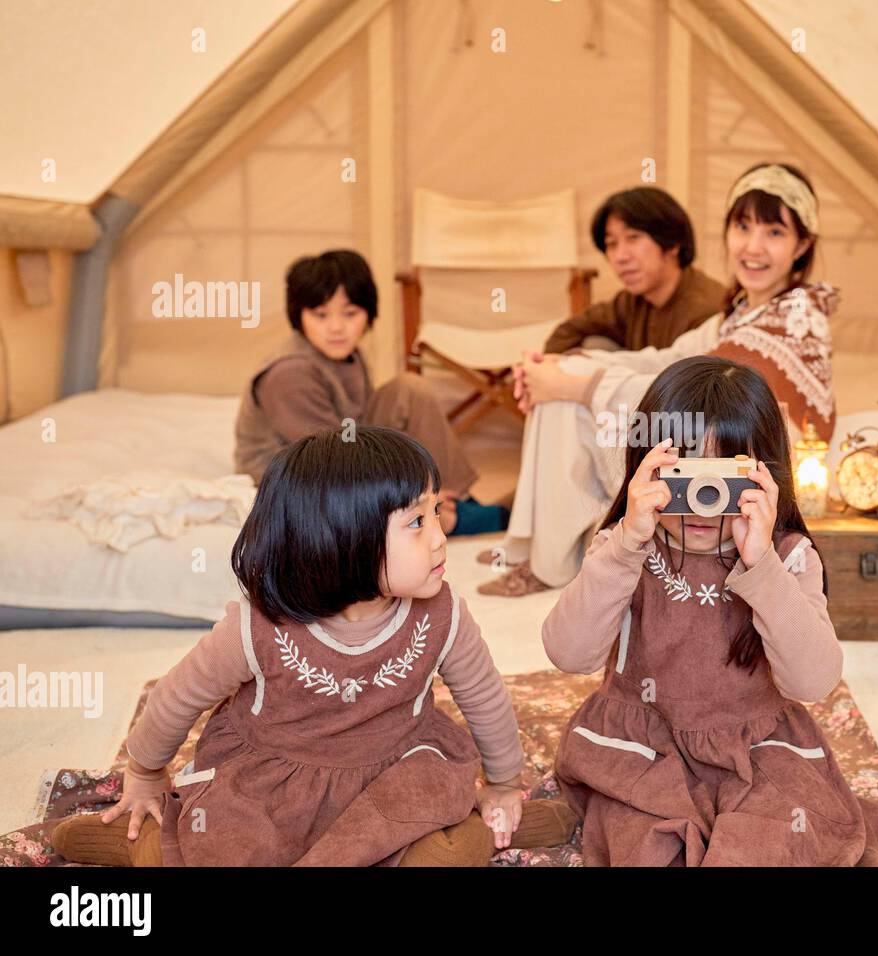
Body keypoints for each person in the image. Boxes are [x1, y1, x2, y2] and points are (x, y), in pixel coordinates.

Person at [51, 426, 576, 866]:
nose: (439, 536)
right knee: (220, 849)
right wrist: (144, 774)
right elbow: (178, 696)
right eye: (417, 522)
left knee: (435, 854)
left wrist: (505, 783)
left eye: (435, 512)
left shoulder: (443, 613)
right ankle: (144, 846)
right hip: (274, 785)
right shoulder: (258, 628)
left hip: (397, 772)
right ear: (339, 541)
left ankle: (490, 827)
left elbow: (483, 697)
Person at [543, 357, 878, 865]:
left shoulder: (788, 557)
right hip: (644, 746)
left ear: (767, 477)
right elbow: (569, 654)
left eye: (725, 478)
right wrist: (624, 547)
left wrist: (764, 567)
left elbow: (813, 683)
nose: (702, 505)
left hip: (756, 748)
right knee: (645, 842)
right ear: (645, 468)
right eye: (684, 477)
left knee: (774, 837)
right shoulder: (624, 547)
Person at [483, 163, 835, 596]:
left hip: (746, 469)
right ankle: (544, 551)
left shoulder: (794, 317)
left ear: (802, 244)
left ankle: (554, 562)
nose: (753, 247)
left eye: (775, 233)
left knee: (572, 390)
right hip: (711, 439)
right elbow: (670, 359)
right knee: (567, 376)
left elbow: (702, 401)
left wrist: (579, 385)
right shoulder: (742, 309)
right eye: (743, 227)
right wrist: (565, 364)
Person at [234, 249, 506, 536]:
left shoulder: (348, 353)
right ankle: (442, 515)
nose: (337, 327)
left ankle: (454, 498)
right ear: (299, 316)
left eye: (350, 313)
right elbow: (327, 461)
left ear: (368, 312)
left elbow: (354, 428)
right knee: (361, 495)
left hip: (342, 443)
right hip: (299, 475)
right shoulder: (289, 374)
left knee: (409, 390)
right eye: (320, 315)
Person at [542, 187, 725, 354]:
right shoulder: (631, 300)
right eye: (611, 244)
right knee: (592, 344)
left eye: (633, 238)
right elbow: (569, 331)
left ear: (672, 244)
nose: (620, 256)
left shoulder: (706, 312)